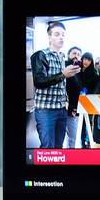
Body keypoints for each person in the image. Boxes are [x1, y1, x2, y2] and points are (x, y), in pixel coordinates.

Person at [30, 20, 80, 149]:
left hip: (61, 109)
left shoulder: (62, 57)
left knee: (58, 149)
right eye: (57, 34)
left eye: (63, 34)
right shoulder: (40, 55)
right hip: (46, 110)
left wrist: (71, 75)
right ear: (49, 37)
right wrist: (63, 74)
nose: (61, 37)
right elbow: (39, 82)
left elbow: (63, 85)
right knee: (48, 148)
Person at [63, 46, 84, 148]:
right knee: (74, 140)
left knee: (72, 139)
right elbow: (66, 90)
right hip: (68, 110)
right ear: (68, 55)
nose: (76, 56)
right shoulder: (65, 68)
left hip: (75, 110)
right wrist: (72, 108)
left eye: (79, 54)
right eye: (74, 53)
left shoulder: (78, 71)